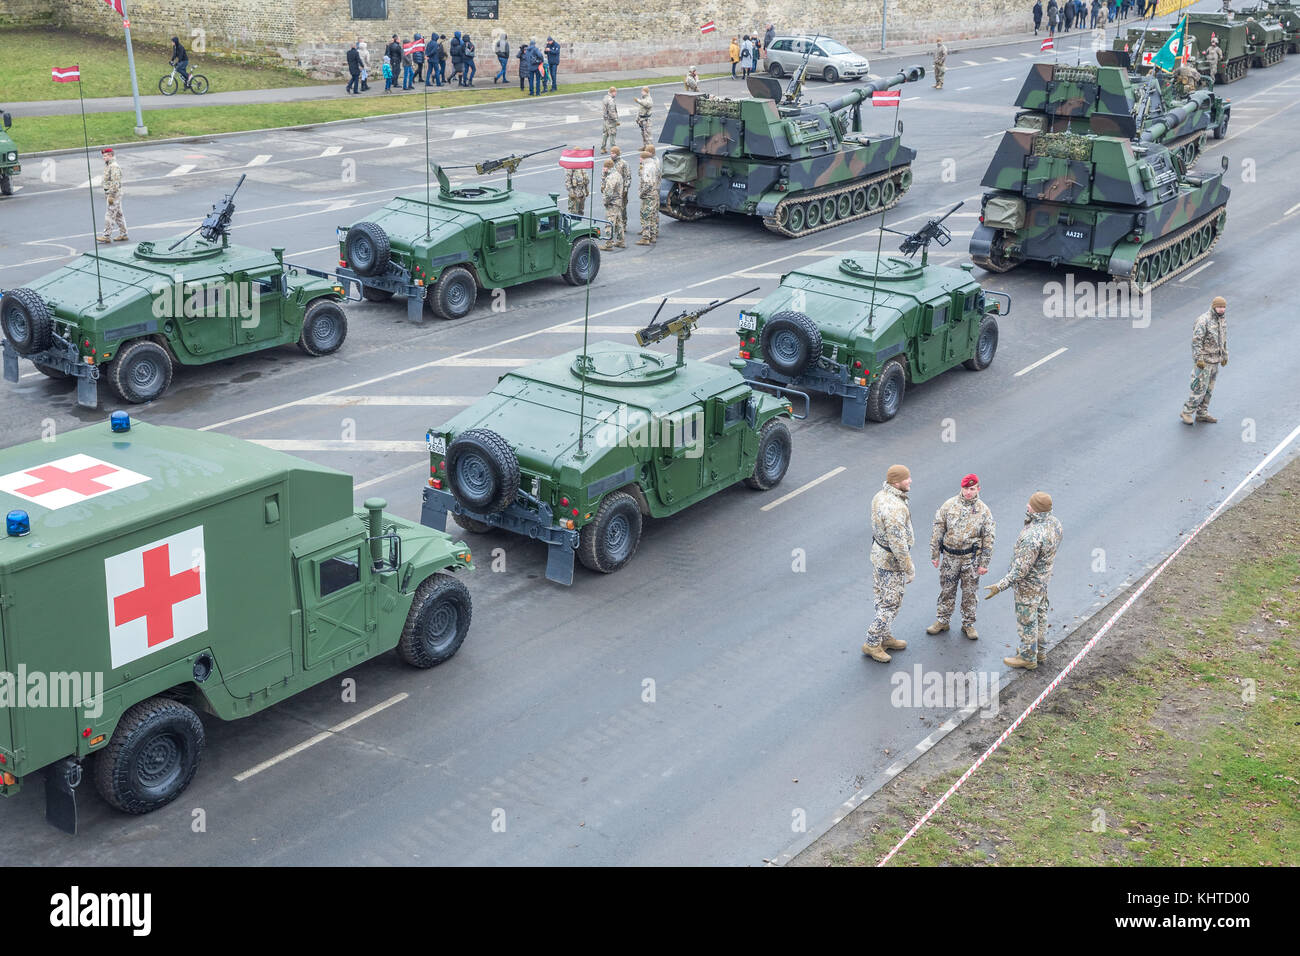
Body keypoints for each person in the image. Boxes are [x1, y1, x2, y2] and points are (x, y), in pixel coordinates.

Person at [984, 492, 1063, 670]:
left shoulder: (1033, 536)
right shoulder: (1055, 523)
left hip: (1028, 586)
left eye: (1031, 505)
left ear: (1037, 509)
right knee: (1041, 616)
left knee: (1027, 621)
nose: (1027, 506)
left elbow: (1020, 571)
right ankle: (1040, 651)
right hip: (1043, 581)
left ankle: (1028, 657)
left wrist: (999, 586)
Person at [927, 474, 996, 641]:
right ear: (961, 488)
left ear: (978, 489)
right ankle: (942, 620)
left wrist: (984, 563)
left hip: (971, 558)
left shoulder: (984, 511)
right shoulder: (949, 505)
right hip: (950, 557)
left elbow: (988, 538)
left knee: (970, 593)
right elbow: (938, 530)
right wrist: (935, 554)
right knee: (947, 590)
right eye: (966, 488)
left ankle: (968, 624)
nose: (968, 492)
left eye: (972, 489)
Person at [863, 464, 915, 663]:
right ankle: (872, 642)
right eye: (906, 478)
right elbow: (898, 544)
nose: (910, 481)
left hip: (878, 555)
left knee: (881, 598)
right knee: (891, 603)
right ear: (896, 482)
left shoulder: (880, 496)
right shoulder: (895, 508)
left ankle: (885, 637)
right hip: (891, 562)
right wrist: (909, 568)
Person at [1180, 296, 1228, 425]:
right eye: (1219, 307)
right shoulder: (1203, 320)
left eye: (1223, 307)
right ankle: (1186, 412)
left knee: (1209, 390)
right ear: (1214, 307)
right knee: (1199, 389)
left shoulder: (1221, 320)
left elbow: (1223, 339)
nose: (1222, 309)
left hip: (1215, 360)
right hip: (1204, 361)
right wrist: (1199, 359)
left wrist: (1224, 355)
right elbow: (1196, 341)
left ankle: (1202, 413)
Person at [97, 147, 128, 242]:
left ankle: (106, 236)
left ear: (110, 155)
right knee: (118, 214)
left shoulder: (113, 166)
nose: (104, 158)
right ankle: (123, 234)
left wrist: (111, 195)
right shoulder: (109, 165)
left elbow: (115, 182)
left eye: (105, 156)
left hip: (114, 194)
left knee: (109, 215)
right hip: (113, 193)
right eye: (103, 156)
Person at [637, 146, 660, 245]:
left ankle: (646, 238)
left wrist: (641, 193)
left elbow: (647, 184)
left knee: (646, 215)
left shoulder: (647, 168)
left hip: (648, 195)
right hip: (654, 193)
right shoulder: (654, 164)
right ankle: (653, 235)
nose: (639, 159)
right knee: (653, 215)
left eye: (641, 158)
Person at [600, 158, 625, 250]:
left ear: (608, 167)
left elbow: (608, 192)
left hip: (612, 203)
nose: (603, 169)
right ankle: (621, 241)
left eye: (604, 167)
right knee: (619, 222)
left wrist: (605, 202)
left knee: (609, 223)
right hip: (618, 202)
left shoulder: (611, 177)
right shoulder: (618, 174)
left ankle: (608, 244)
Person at [610, 145, 630, 231]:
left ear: (617, 154)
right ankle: (614, 224)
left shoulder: (624, 163)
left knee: (622, 208)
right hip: (612, 190)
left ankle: (623, 224)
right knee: (612, 208)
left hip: (621, 190)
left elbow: (627, 177)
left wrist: (625, 189)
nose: (611, 154)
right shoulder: (610, 163)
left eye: (613, 153)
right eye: (611, 153)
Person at [600, 86, 618, 152]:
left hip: (605, 120)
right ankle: (614, 150)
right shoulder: (611, 100)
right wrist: (616, 119)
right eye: (615, 92)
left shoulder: (605, 98)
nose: (616, 94)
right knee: (612, 134)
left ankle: (603, 148)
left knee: (605, 134)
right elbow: (612, 111)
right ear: (613, 92)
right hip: (611, 120)